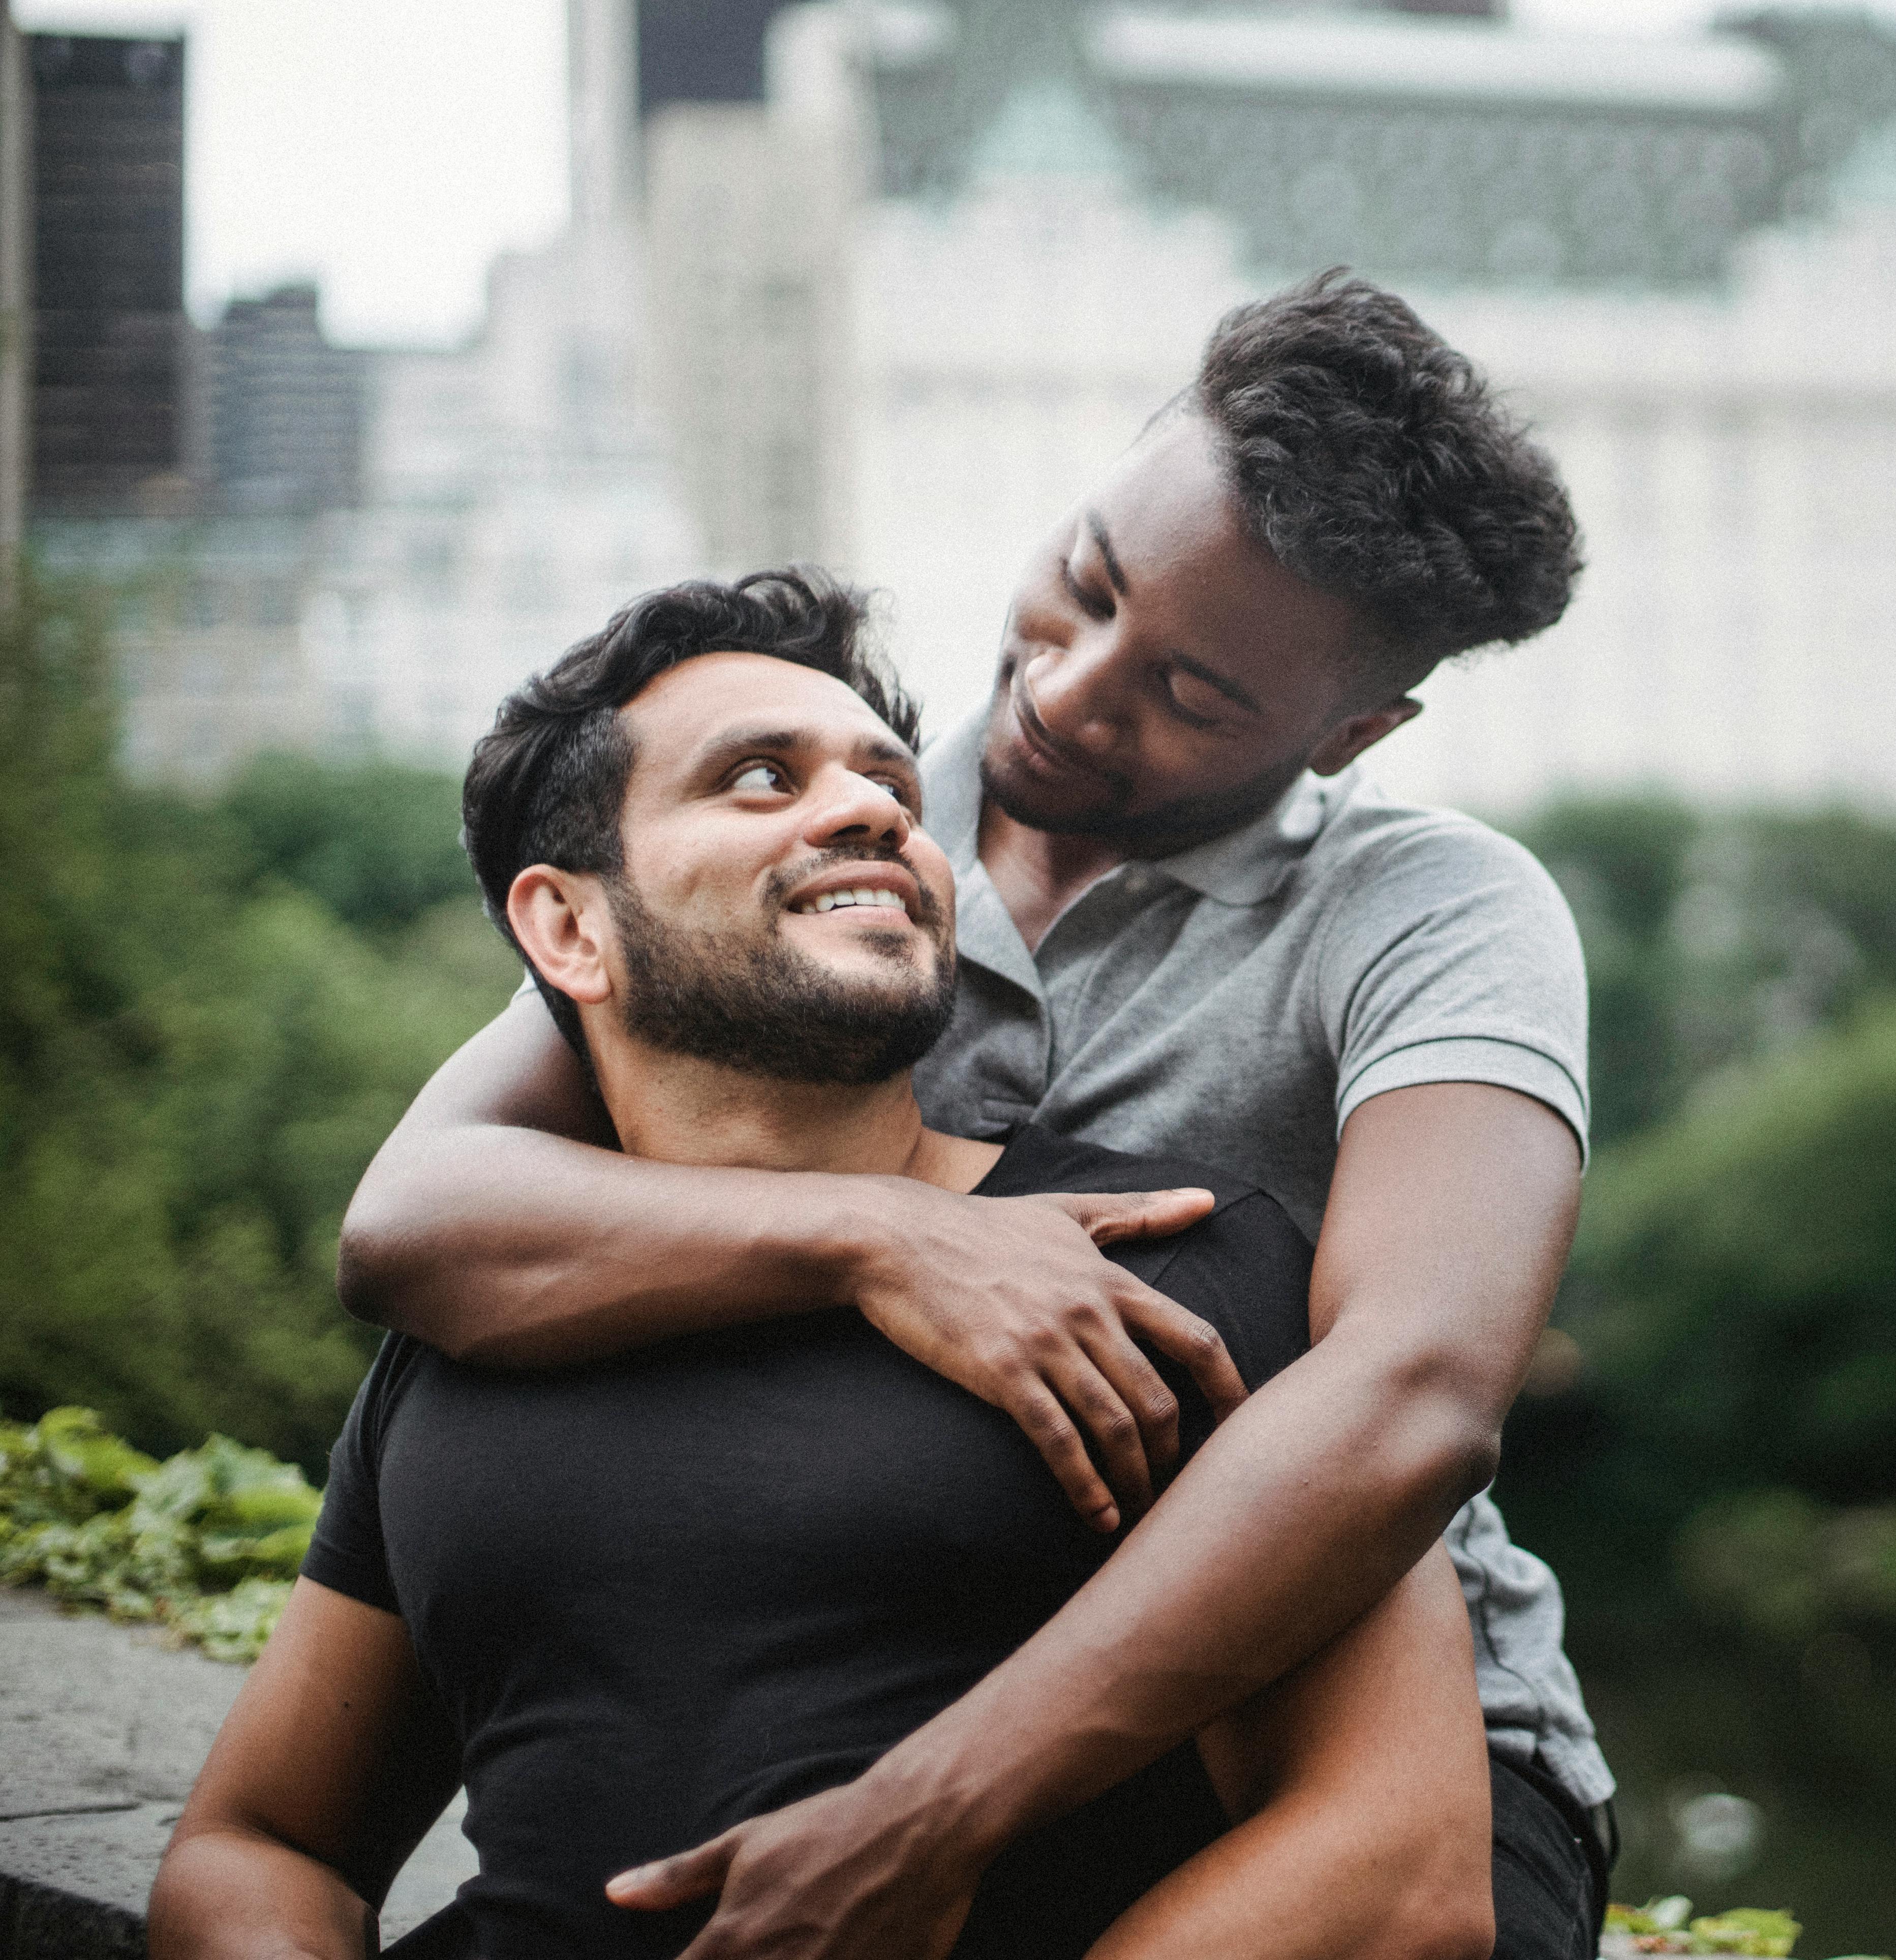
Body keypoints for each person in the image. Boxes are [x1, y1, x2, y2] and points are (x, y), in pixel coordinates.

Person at [337, 271, 1613, 1957]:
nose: (1078, 688)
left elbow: (1414, 1398)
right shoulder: (842, 824)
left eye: (1197, 696)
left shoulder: (1436, 916)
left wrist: (931, 1807)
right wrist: (890, 1236)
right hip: (910, 1630)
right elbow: (417, 1220)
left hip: (1346, 1720)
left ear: (1355, 727)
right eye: (1086, 584)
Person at [151, 576, 1495, 1960]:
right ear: (567, 930)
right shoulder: (485, 1314)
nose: (873, 813)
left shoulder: (1172, 1261)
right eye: (756, 779)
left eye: (891, 785)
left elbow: (1400, 1875)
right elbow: (260, 1844)